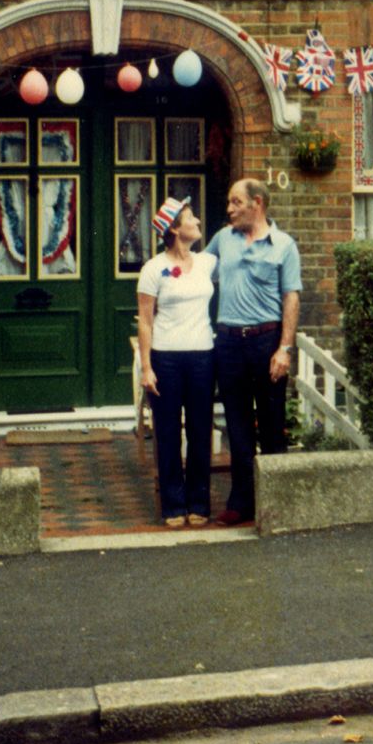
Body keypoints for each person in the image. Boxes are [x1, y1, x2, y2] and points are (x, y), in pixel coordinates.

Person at [205, 178, 302, 526]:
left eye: (236, 202)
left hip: (266, 341)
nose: (229, 209)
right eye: (229, 202)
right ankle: (241, 502)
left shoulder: (284, 245)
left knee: (272, 422)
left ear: (257, 203)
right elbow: (195, 273)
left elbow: (291, 297)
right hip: (229, 342)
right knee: (237, 422)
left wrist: (284, 349)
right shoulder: (222, 239)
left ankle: (276, 501)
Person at [137, 197, 217, 529]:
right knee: (168, 432)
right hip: (166, 358)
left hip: (202, 356)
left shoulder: (208, 262)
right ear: (173, 229)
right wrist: (146, 368)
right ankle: (172, 505)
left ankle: (198, 502)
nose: (197, 221)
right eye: (190, 217)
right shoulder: (153, 268)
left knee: (200, 430)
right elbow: (145, 321)